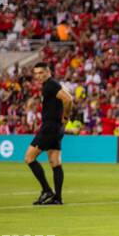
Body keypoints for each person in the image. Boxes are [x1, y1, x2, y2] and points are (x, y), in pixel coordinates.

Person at [25, 64, 73, 206]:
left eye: (41, 73)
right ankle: (57, 198)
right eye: (36, 73)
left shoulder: (50, 85)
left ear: (48, 72)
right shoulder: (53, 85)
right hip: (56, 128)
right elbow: (67, 97)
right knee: (55, 162)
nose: (39, 76)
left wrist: (65, 116)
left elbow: (68, 99)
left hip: (50, 127)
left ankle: (46, 190)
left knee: (29, 158)